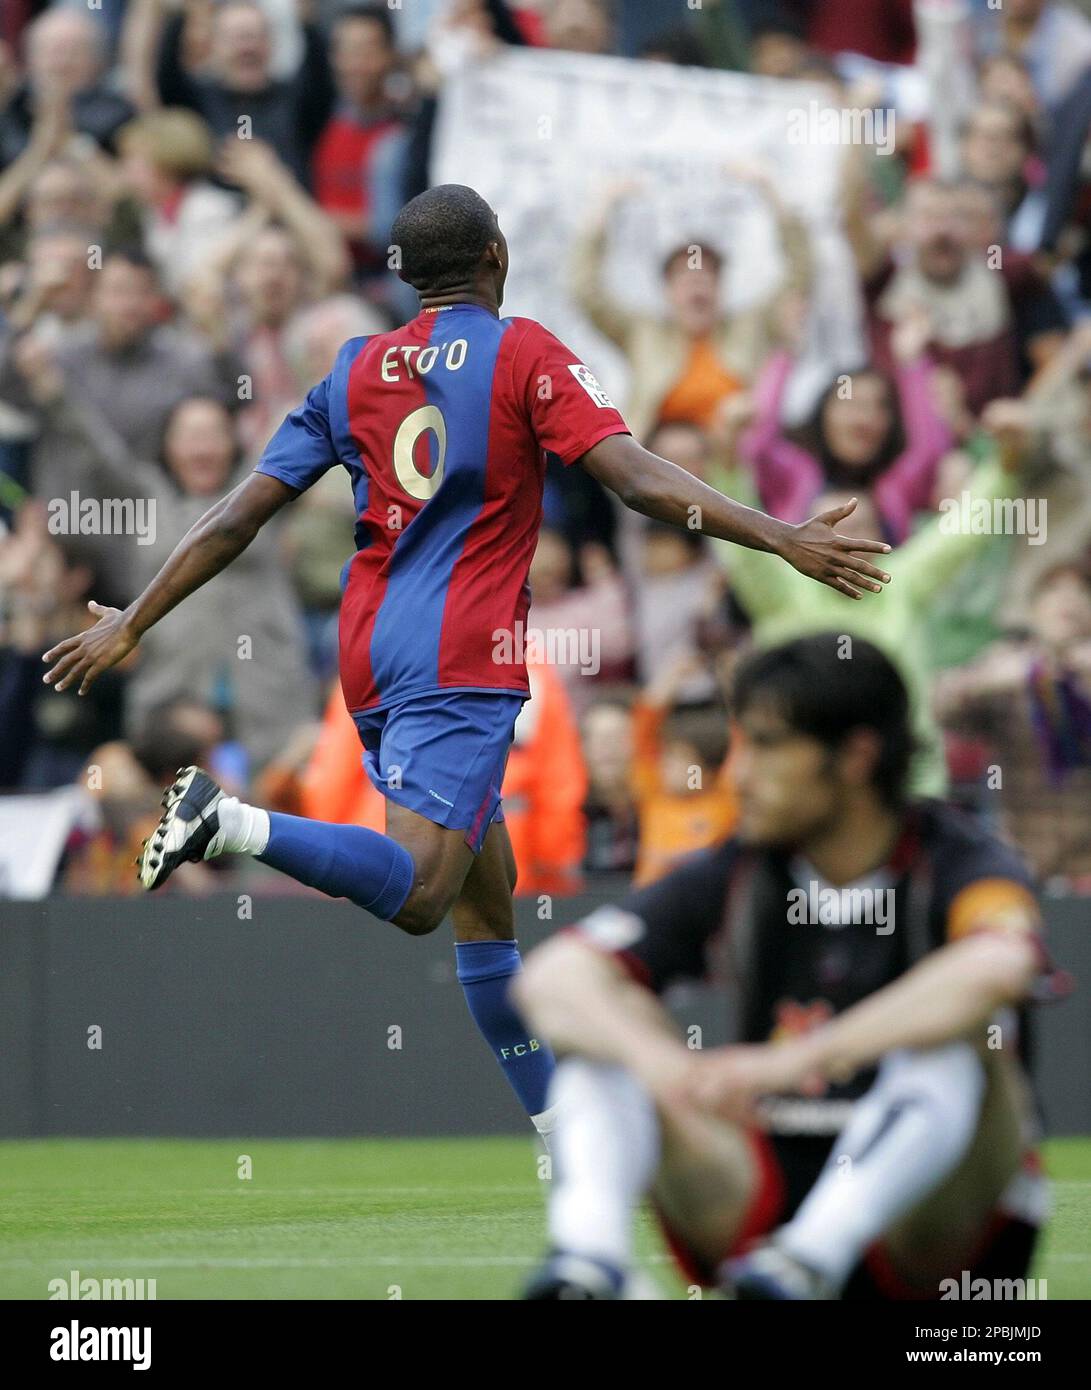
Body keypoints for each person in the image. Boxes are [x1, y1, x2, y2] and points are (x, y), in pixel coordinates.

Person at [41, 183, 891, 1145]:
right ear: (494, 255)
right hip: (462, 651)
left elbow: (240, 512)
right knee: (419, 891)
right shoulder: (521, 350)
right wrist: (776, 534)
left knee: (486, 918)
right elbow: (631, 474)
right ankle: (227, 821)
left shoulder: (355, 366)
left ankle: (561, 1136)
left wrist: (135, 622)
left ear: (405, 278)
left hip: (369, 648)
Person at [515, 635, 1059, 1300]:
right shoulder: (742, 866)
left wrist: (796, 1061)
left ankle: (807, 1262)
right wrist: (665, 1069)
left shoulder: (959, 858)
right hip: (762, 1189)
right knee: (603, 1024)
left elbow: (998, 967)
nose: (737, 775)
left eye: (767, 746)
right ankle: (588, 1266)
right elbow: (550, 978)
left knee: (960, 1029)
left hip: (936, 1233)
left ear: (855, 756)